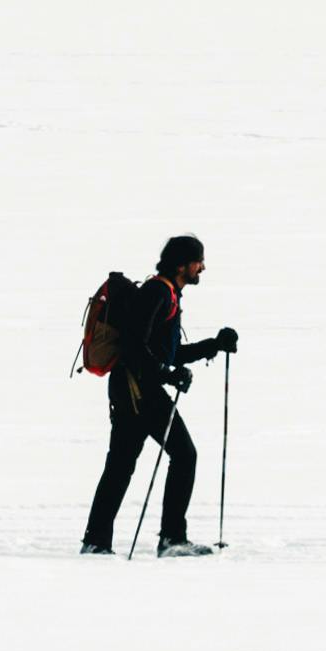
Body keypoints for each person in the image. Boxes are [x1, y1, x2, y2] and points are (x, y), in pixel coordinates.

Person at [81, 230, 227, 555]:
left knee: (120, 465)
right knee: (184, 454)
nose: (201, 268)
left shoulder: (165, 294)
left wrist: (213, 346)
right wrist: (167, 375)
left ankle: (95, 542)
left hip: (131, 388)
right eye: (198, 262)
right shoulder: (157, 293)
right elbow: (136, 346)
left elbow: (165, 352)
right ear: (182, 265)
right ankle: (172, 539)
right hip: (138, 390)